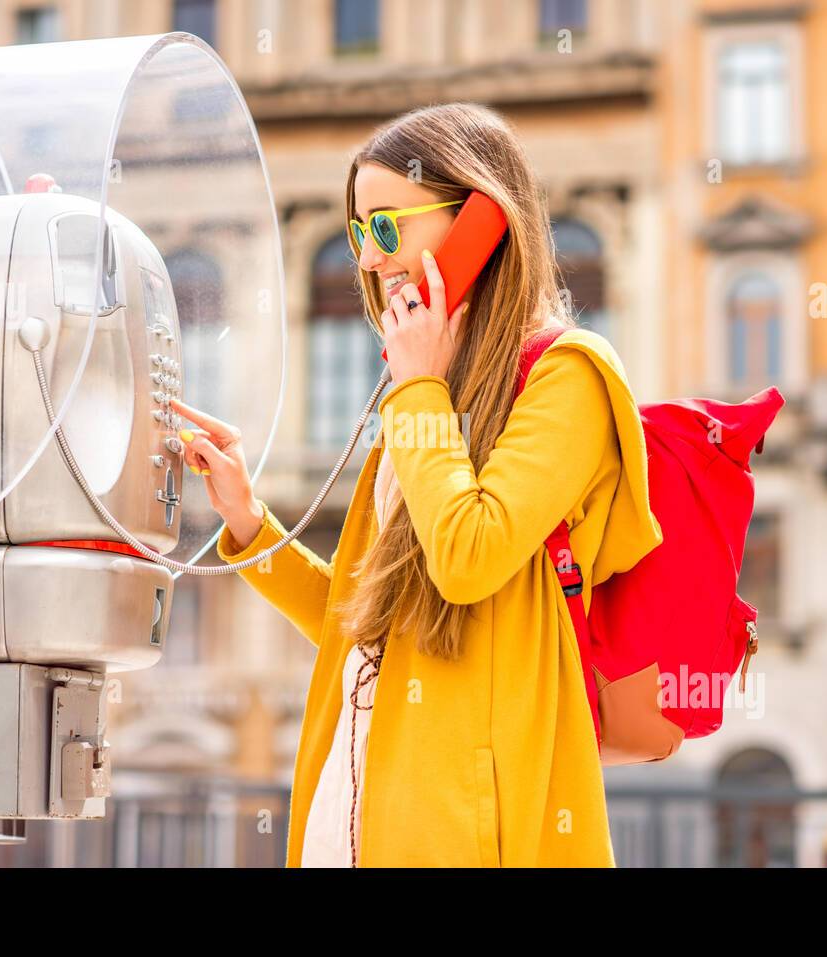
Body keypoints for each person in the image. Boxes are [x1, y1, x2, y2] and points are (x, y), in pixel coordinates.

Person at [183, 102, 662, 867]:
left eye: (385, 226)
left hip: (469, 827)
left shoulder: (566, 376)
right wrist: (248, 522)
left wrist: (417, 388)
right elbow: (363, 621)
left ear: (481, 219)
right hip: (356, 803)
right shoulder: (429, 398)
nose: (367, 261)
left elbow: (469, 556)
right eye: (356, 233)